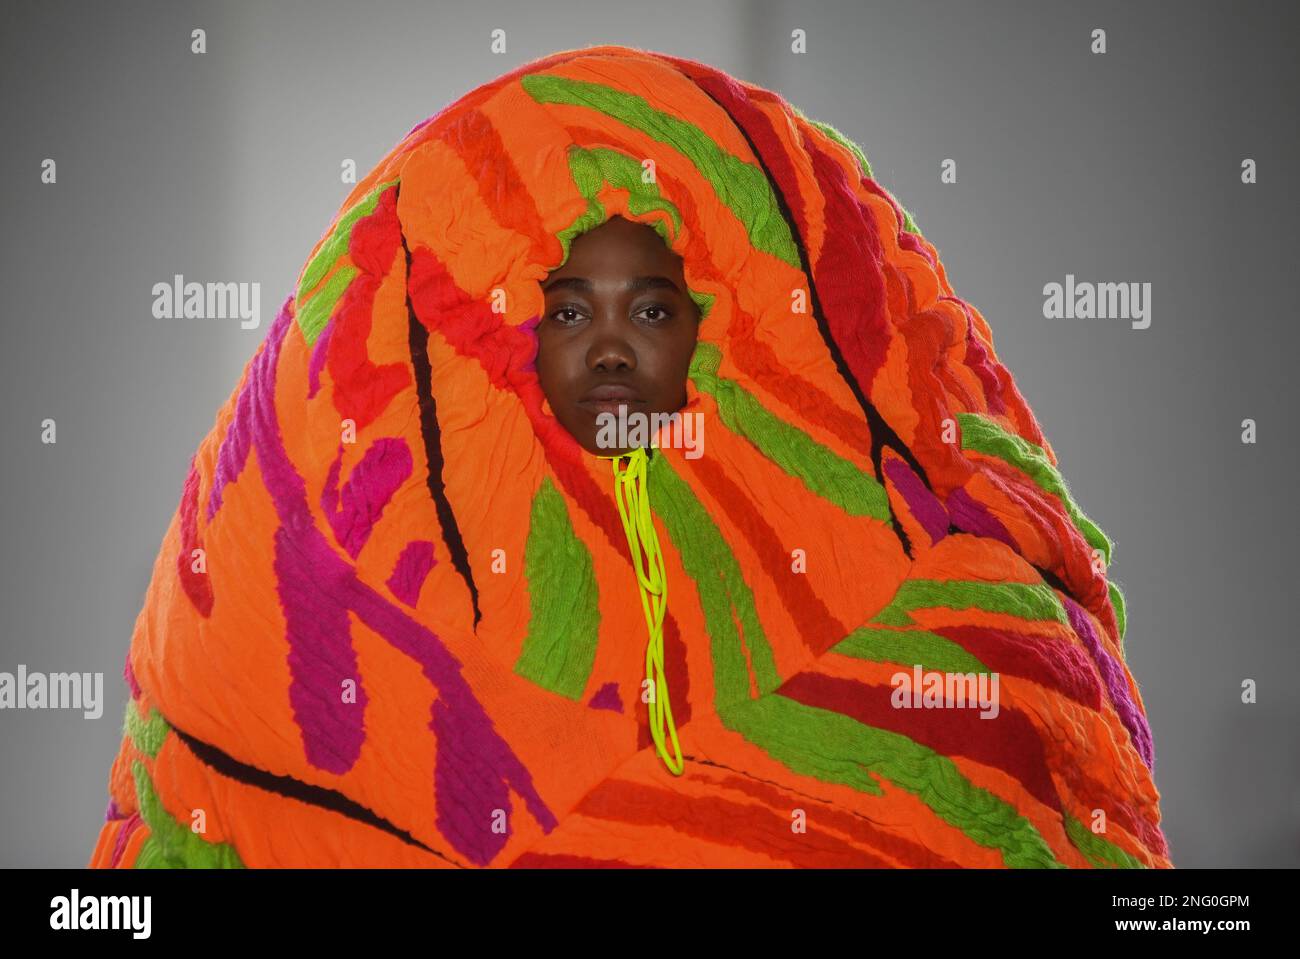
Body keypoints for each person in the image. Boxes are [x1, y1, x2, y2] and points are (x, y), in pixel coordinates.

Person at [88, 43, 1171, 869]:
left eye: (652, 307)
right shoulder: (382, 542)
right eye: (570, 309)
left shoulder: (887, 565)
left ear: (712, 324)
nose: (609, 342)